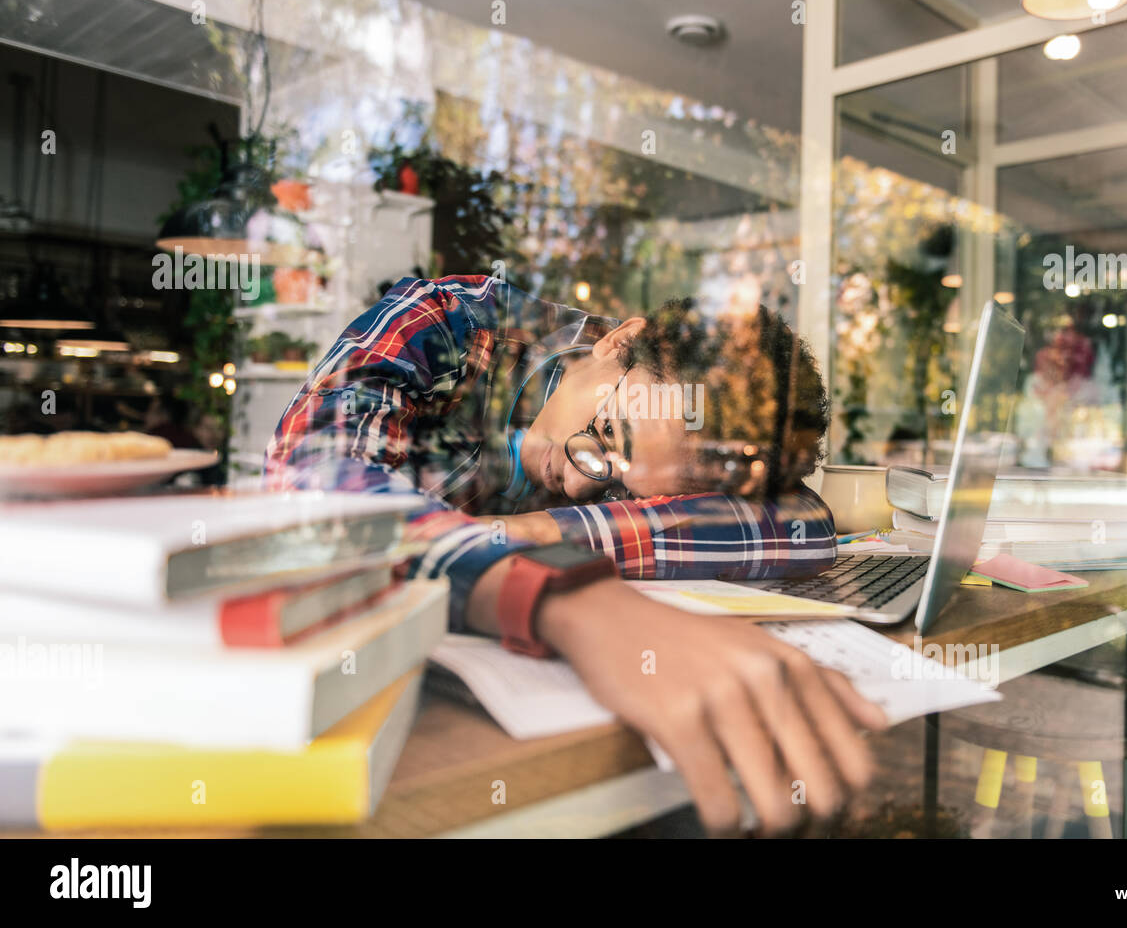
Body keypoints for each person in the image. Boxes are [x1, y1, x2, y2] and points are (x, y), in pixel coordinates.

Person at [266, 274, 884, 834]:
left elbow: (800, 521)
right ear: (618, 345)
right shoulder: (445, 323)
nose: (586, 484)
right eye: (610, 432)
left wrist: (537, 533)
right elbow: (317, 490)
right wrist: (567, 595)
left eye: (622, 490)